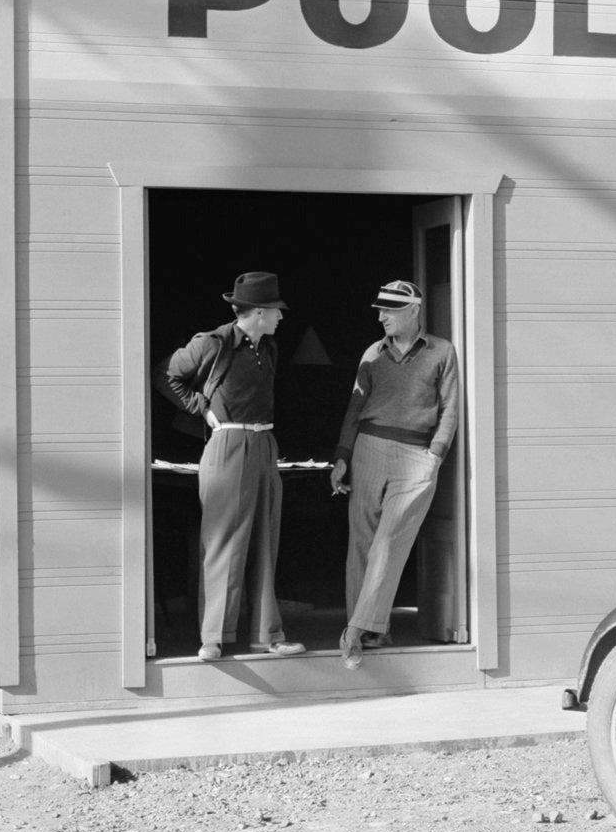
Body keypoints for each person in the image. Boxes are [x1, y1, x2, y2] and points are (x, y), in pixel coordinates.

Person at [159, 272, 306, 661]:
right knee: (223, 540)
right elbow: (167, 374)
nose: (280, 317)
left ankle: (266, 634)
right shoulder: (214, 343)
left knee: (264, 539)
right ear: (258, 311)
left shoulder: (268, 348)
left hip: (263, 442)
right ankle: (214, 638)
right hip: (227, 442)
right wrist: (201, 410)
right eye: (276, 311)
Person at [331, 279, 461, 669]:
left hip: (416, 455)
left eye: (390, 309)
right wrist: (341, 457)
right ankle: (372, 629)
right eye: (380, 310)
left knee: (388, 544)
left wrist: (434, 456)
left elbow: (449, 409)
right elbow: (354, 409)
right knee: (363, 544)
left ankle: (354, 633)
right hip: (369, 448)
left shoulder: (442, 351)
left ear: (414, 310)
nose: (382, 316)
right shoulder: (373, 353)